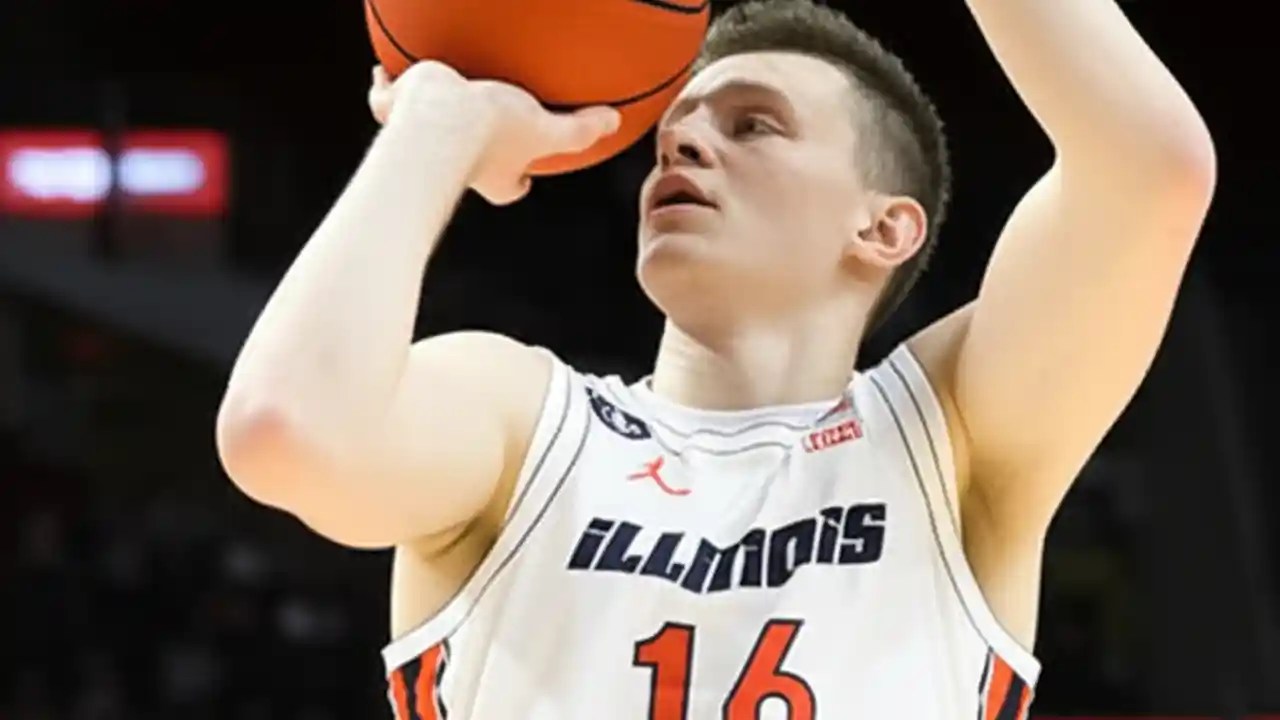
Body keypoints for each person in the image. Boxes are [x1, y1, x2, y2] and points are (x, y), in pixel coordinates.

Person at [214, 0, 1216, 716]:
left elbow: (1148, 170)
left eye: (753, 126)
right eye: (673, 132)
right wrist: (438, 120)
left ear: (883, 228)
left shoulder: (946, 436)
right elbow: (283, 430)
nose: (683, 144)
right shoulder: (525, 422)